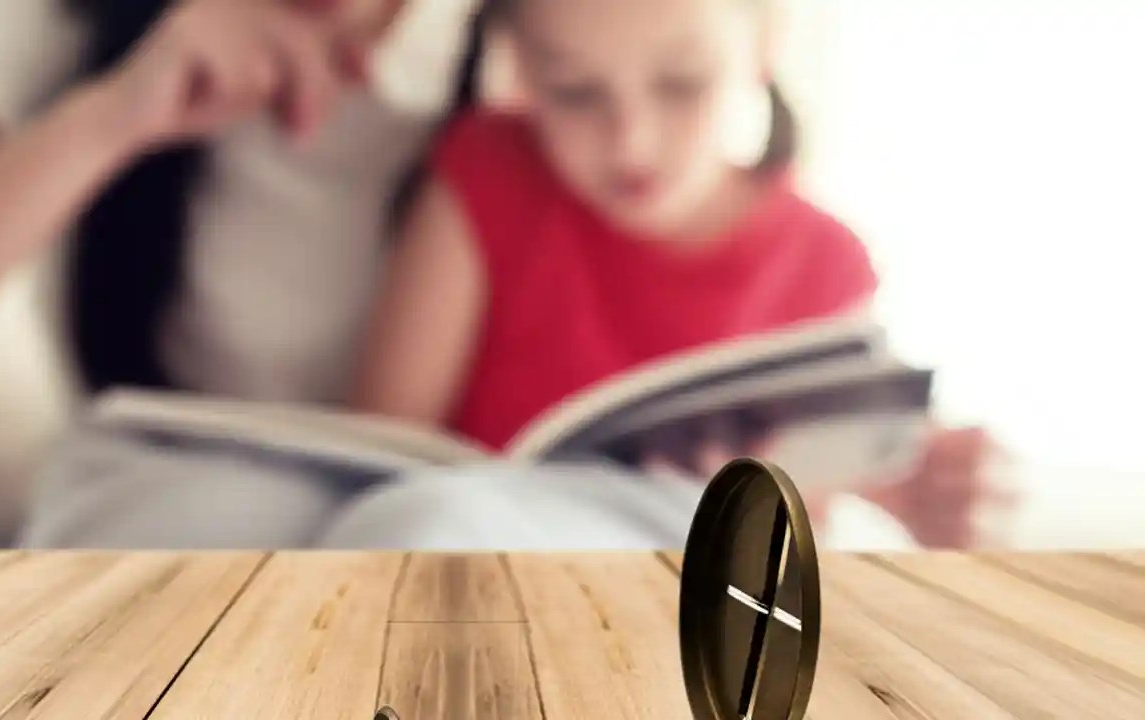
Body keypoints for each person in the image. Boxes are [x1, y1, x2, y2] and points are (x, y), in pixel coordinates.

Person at [352, 0, 1011, 547]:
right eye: (575, 91)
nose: (630, 141)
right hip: (481, 559)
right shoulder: (487, 175)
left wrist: (930, 497)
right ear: (520, 66)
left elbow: (809, 526)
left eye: (681, 83)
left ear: (765, 44)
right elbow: (373, 458)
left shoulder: (827, 264)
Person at [0, 0, 482, 547]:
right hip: (134, 510)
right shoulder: (63, 16)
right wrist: (111, 118)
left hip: (384, 532)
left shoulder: (512, 55)